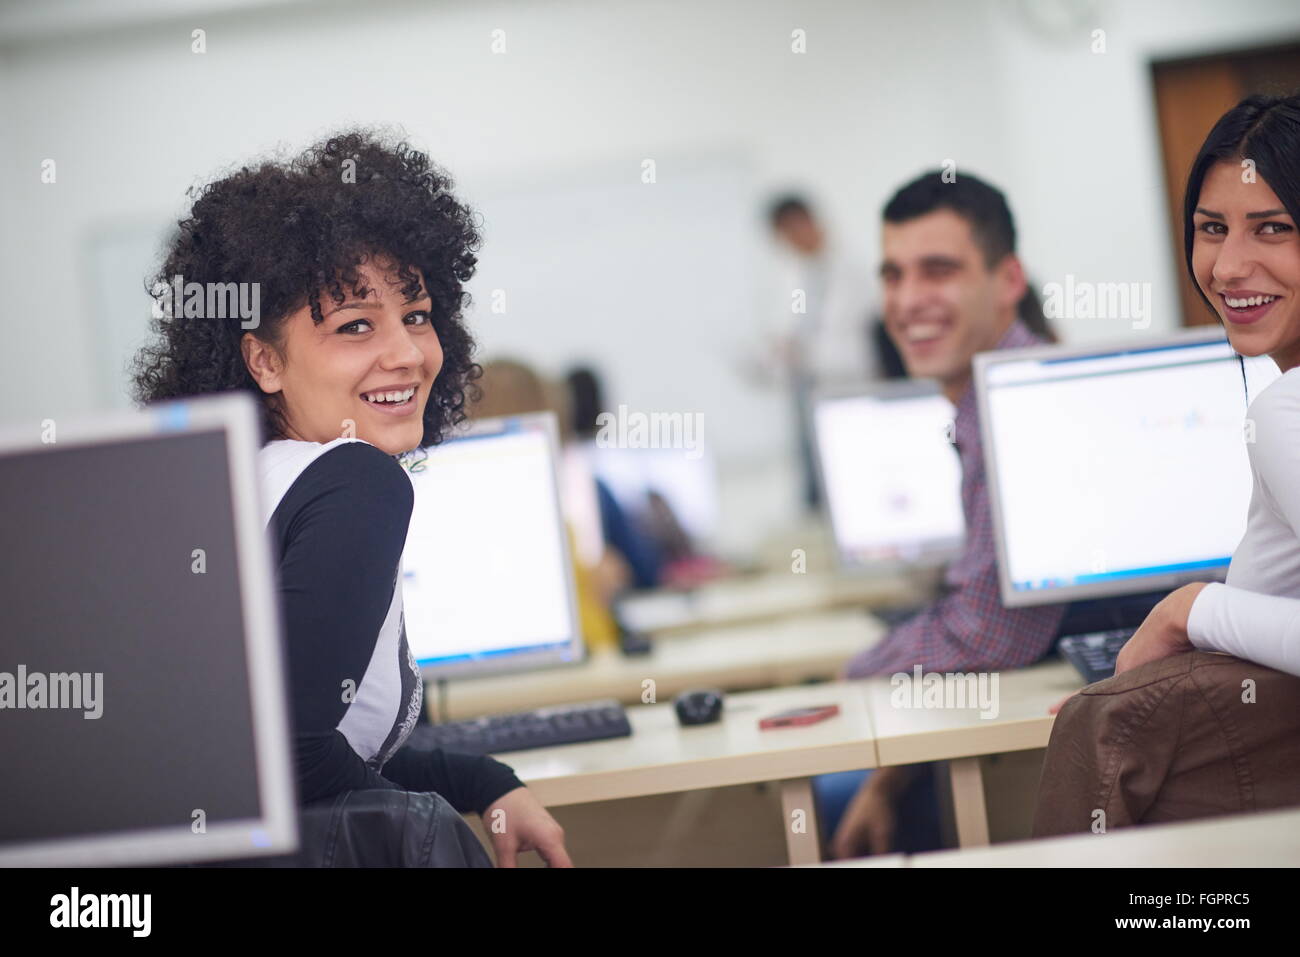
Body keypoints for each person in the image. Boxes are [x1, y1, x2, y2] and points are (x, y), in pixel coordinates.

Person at [132, 131, 571, 867]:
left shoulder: (238, 481)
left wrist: (481, 777)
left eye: (418, 314)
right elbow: (291, 755)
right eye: (354, 325)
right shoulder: (356, 480)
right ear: (264, 359)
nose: (405, 352)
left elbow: (308, 751)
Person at [1034, 93, 1300, 836]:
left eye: (1272, 228)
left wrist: (1191, 608)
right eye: (1211, 229)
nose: (1228, 265)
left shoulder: (1286, 410)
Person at [822, 171, 1070, 859]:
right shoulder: (988, 400)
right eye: (893, 275)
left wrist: (854, 672)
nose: (907, 300)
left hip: (1054, 745)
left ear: (1009, 278)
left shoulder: (1023, 403)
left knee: (820, 788)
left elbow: (987, 631)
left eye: (939, 270)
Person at [757, 195, 881, 509]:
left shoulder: (855, 272)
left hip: (850, 396)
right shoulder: (794, 278)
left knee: (855, 489)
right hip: (806, 396)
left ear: (810, 221)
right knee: (817, 489)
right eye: (783, 237)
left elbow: (864, 354)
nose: (791, 242)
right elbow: (789, 336)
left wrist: (805, 356)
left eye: (793, 230)